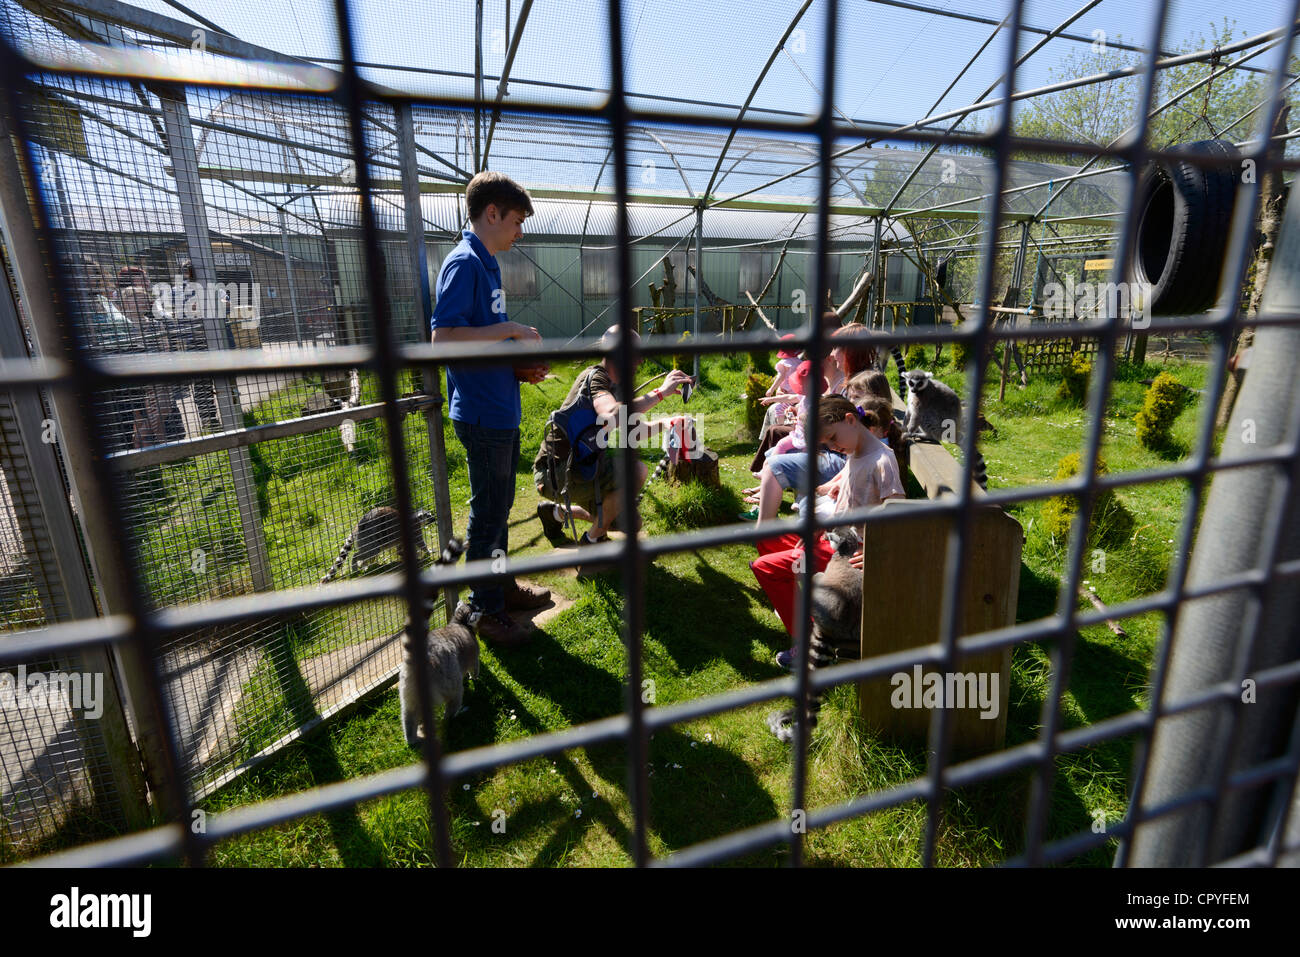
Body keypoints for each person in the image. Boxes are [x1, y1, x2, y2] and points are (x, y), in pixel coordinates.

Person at [430, 171, 551, 647]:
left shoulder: (488, 262)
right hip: (482, 415)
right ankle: (482, 611)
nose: (519, 232)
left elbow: (478, 340)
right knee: (487, 517)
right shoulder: (464, 263)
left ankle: (499, 588)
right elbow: (442, 339)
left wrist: (516, 369)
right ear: (492, 214)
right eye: (516, 221)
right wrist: (512, 331)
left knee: (500, 512)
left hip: (501, 404)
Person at [750, 394, 905, 667]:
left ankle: (810, 638)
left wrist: (877, 552)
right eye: (827, 443)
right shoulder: (856, 452)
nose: (834, 446)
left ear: (849, 419)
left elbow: (899, 517)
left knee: (766, 568)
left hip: (849, 557)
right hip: (830, 541)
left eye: (833, 438)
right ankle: (802, 610)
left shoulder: (882, 461)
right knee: (767, 538)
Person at [533, 326, 693, 546]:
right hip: (556, 472)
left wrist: (666, 423)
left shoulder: (617, 386)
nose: (640, 361)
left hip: (584, 467)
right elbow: (610, 414)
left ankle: (555, 514)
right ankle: (593, 540)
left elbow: (635, 431)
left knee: (631, 523)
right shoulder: (596, 378)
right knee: (636, 471)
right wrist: (660, 393)